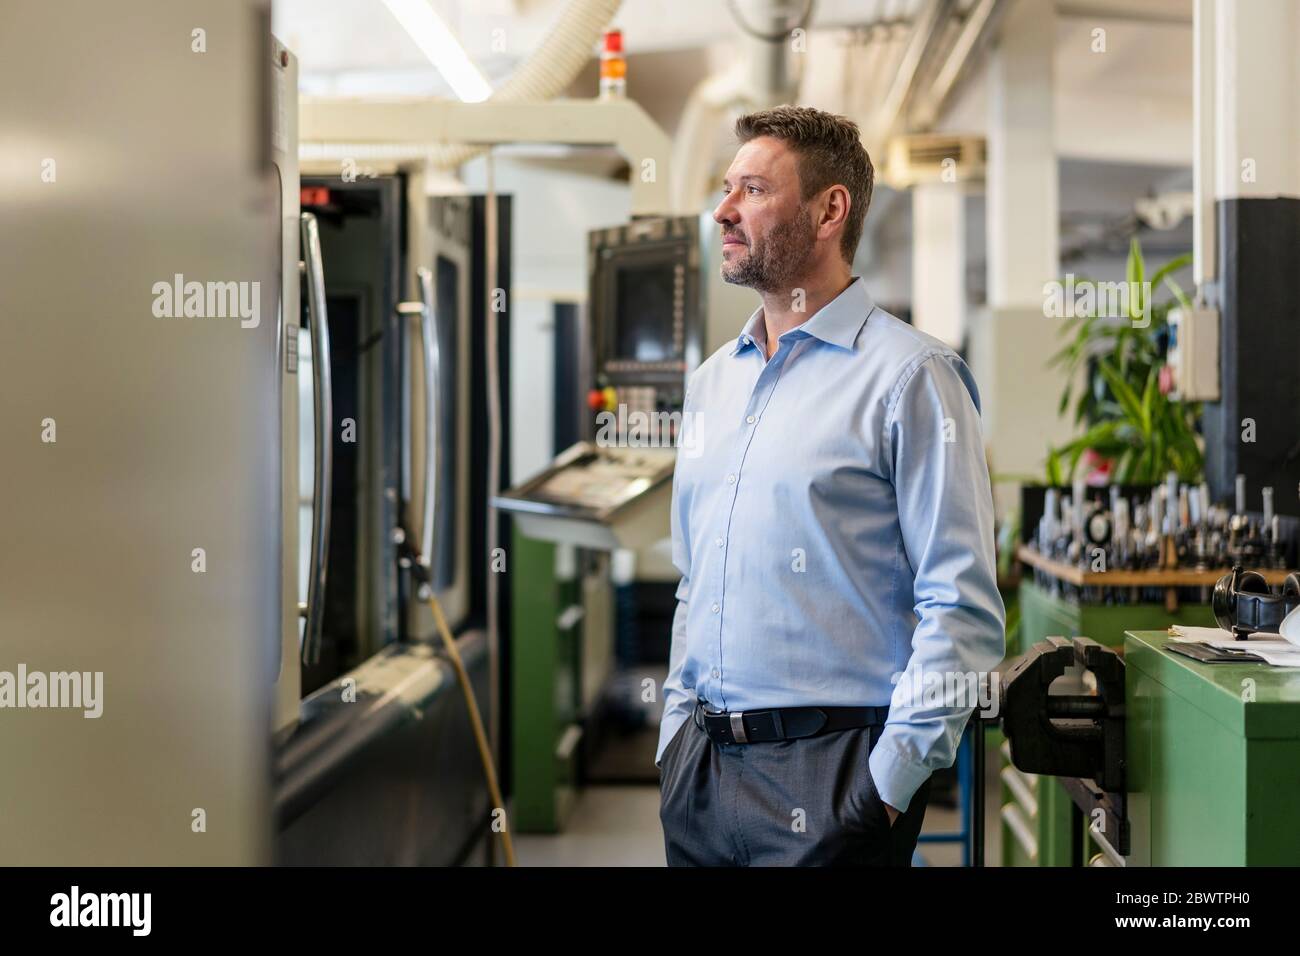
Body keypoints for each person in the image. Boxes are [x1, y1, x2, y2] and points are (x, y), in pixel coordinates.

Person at [657, 105, 1005, 866]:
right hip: (703, 772)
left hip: (837, 773)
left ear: (828, 210)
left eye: (751, 189)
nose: (723, 210)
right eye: (726, 189)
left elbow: (964, 607)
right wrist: (675, 739)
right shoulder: (713, 383)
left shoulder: (911, 378)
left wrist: (888, 783)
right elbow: (694, 581)